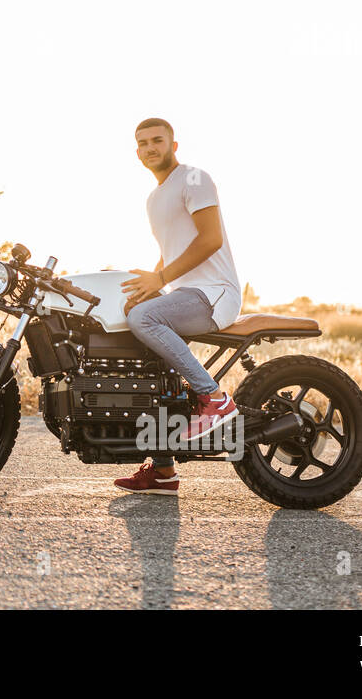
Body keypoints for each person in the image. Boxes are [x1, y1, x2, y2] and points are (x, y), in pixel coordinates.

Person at [113, 117, 242, 496]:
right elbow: (171, 249)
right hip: (184, 294)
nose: (151, 148)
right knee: (132, 330)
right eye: (143, 143)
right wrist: (149, 282)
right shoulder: (154, 197)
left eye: (158, 140)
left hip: (213, 293)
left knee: (144, 317)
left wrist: (160, 280)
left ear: (174, 144)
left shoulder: (193, 179)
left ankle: (214, 399)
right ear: (137, 152)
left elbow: (211, 239)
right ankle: (163, 471)